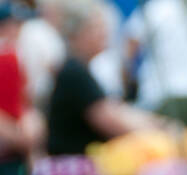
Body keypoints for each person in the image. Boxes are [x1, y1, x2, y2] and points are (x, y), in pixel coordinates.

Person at [45, 0, 160, 155]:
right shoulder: (73, 73)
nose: (104, 33)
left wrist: (157, 123)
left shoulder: (83, 68)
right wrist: (159, 130)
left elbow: (116, 109)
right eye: (96, 27)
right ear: (77, 33)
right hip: (72, 169)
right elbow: (113, 121)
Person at [0, 0, 43, 175]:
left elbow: (25, 102)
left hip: (16, 154)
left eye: (17, 25)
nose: (15, 31)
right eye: (10, 25)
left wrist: (31, 123)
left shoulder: (15, 58)